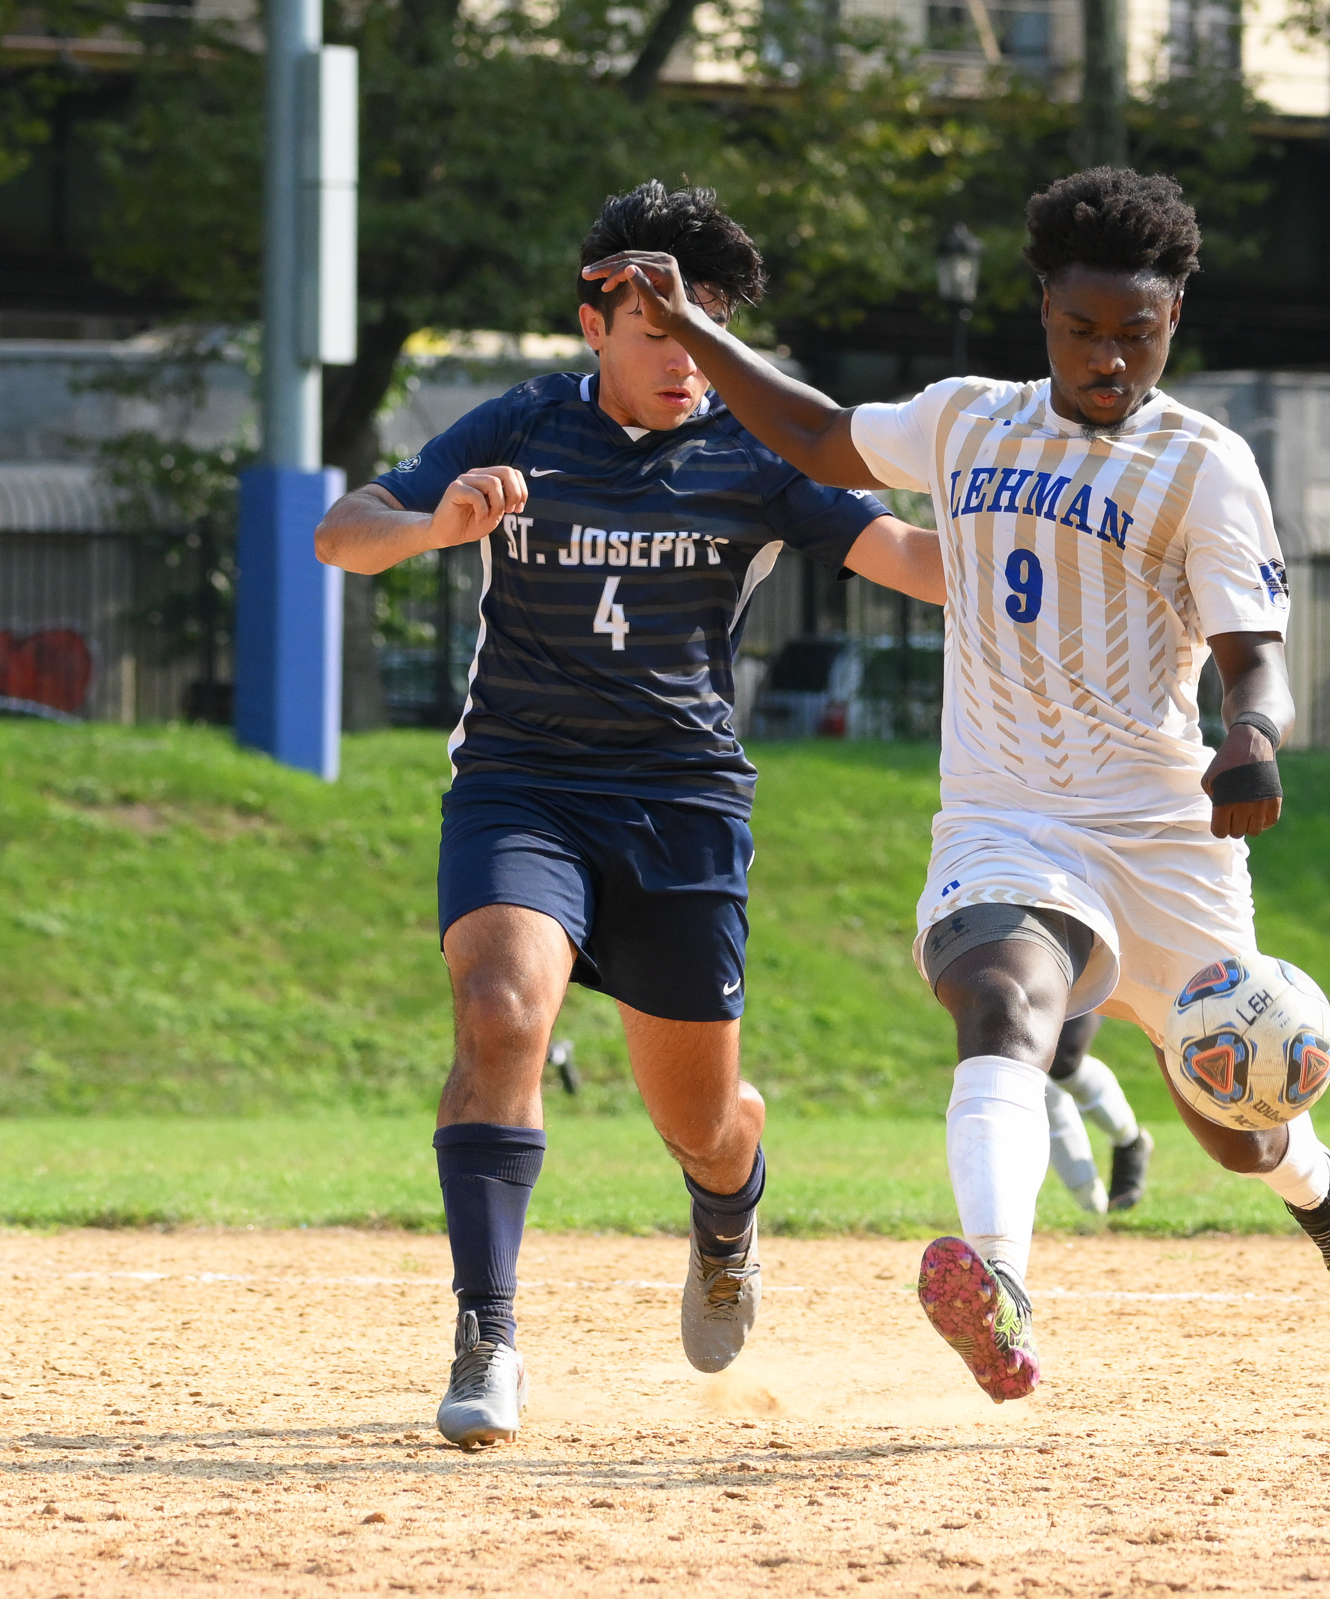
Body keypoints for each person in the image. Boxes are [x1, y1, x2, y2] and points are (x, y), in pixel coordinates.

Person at [587, 166, 1330, 1404]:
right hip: (1009, 820)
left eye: (1135, 333)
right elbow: (817, 436)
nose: (1109, 358)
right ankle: (1001, 1284)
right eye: (1083, 330)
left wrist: (1253, 736)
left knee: (1232, 1129)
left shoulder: (1206, 466)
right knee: (1003, 1002)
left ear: (1173, 318)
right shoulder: (969, 419)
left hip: (1165, 838)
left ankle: (1324, 1196)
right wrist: (701, 328)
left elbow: (1257, 654)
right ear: (1043, 312)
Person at [313, 181, 943, 1448]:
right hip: (523, 781)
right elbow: (342, 535)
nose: (687, 359)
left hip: (681, 801)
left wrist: (1057, 565)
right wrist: (436, 522)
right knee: (500, 1016)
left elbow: (913, 563)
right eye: (661, 329)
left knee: (700, 1124)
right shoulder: (522, 426)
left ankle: (727, 1207)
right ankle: (488, 1337)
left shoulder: (757, 450)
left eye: (707, 332)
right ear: (594, 322)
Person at [1041, 1014, 1154, 1214]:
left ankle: (1129, 1140)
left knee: (1062, 1059)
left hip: (1081, 983)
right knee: (1035, 1073)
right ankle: (1092, 1204)